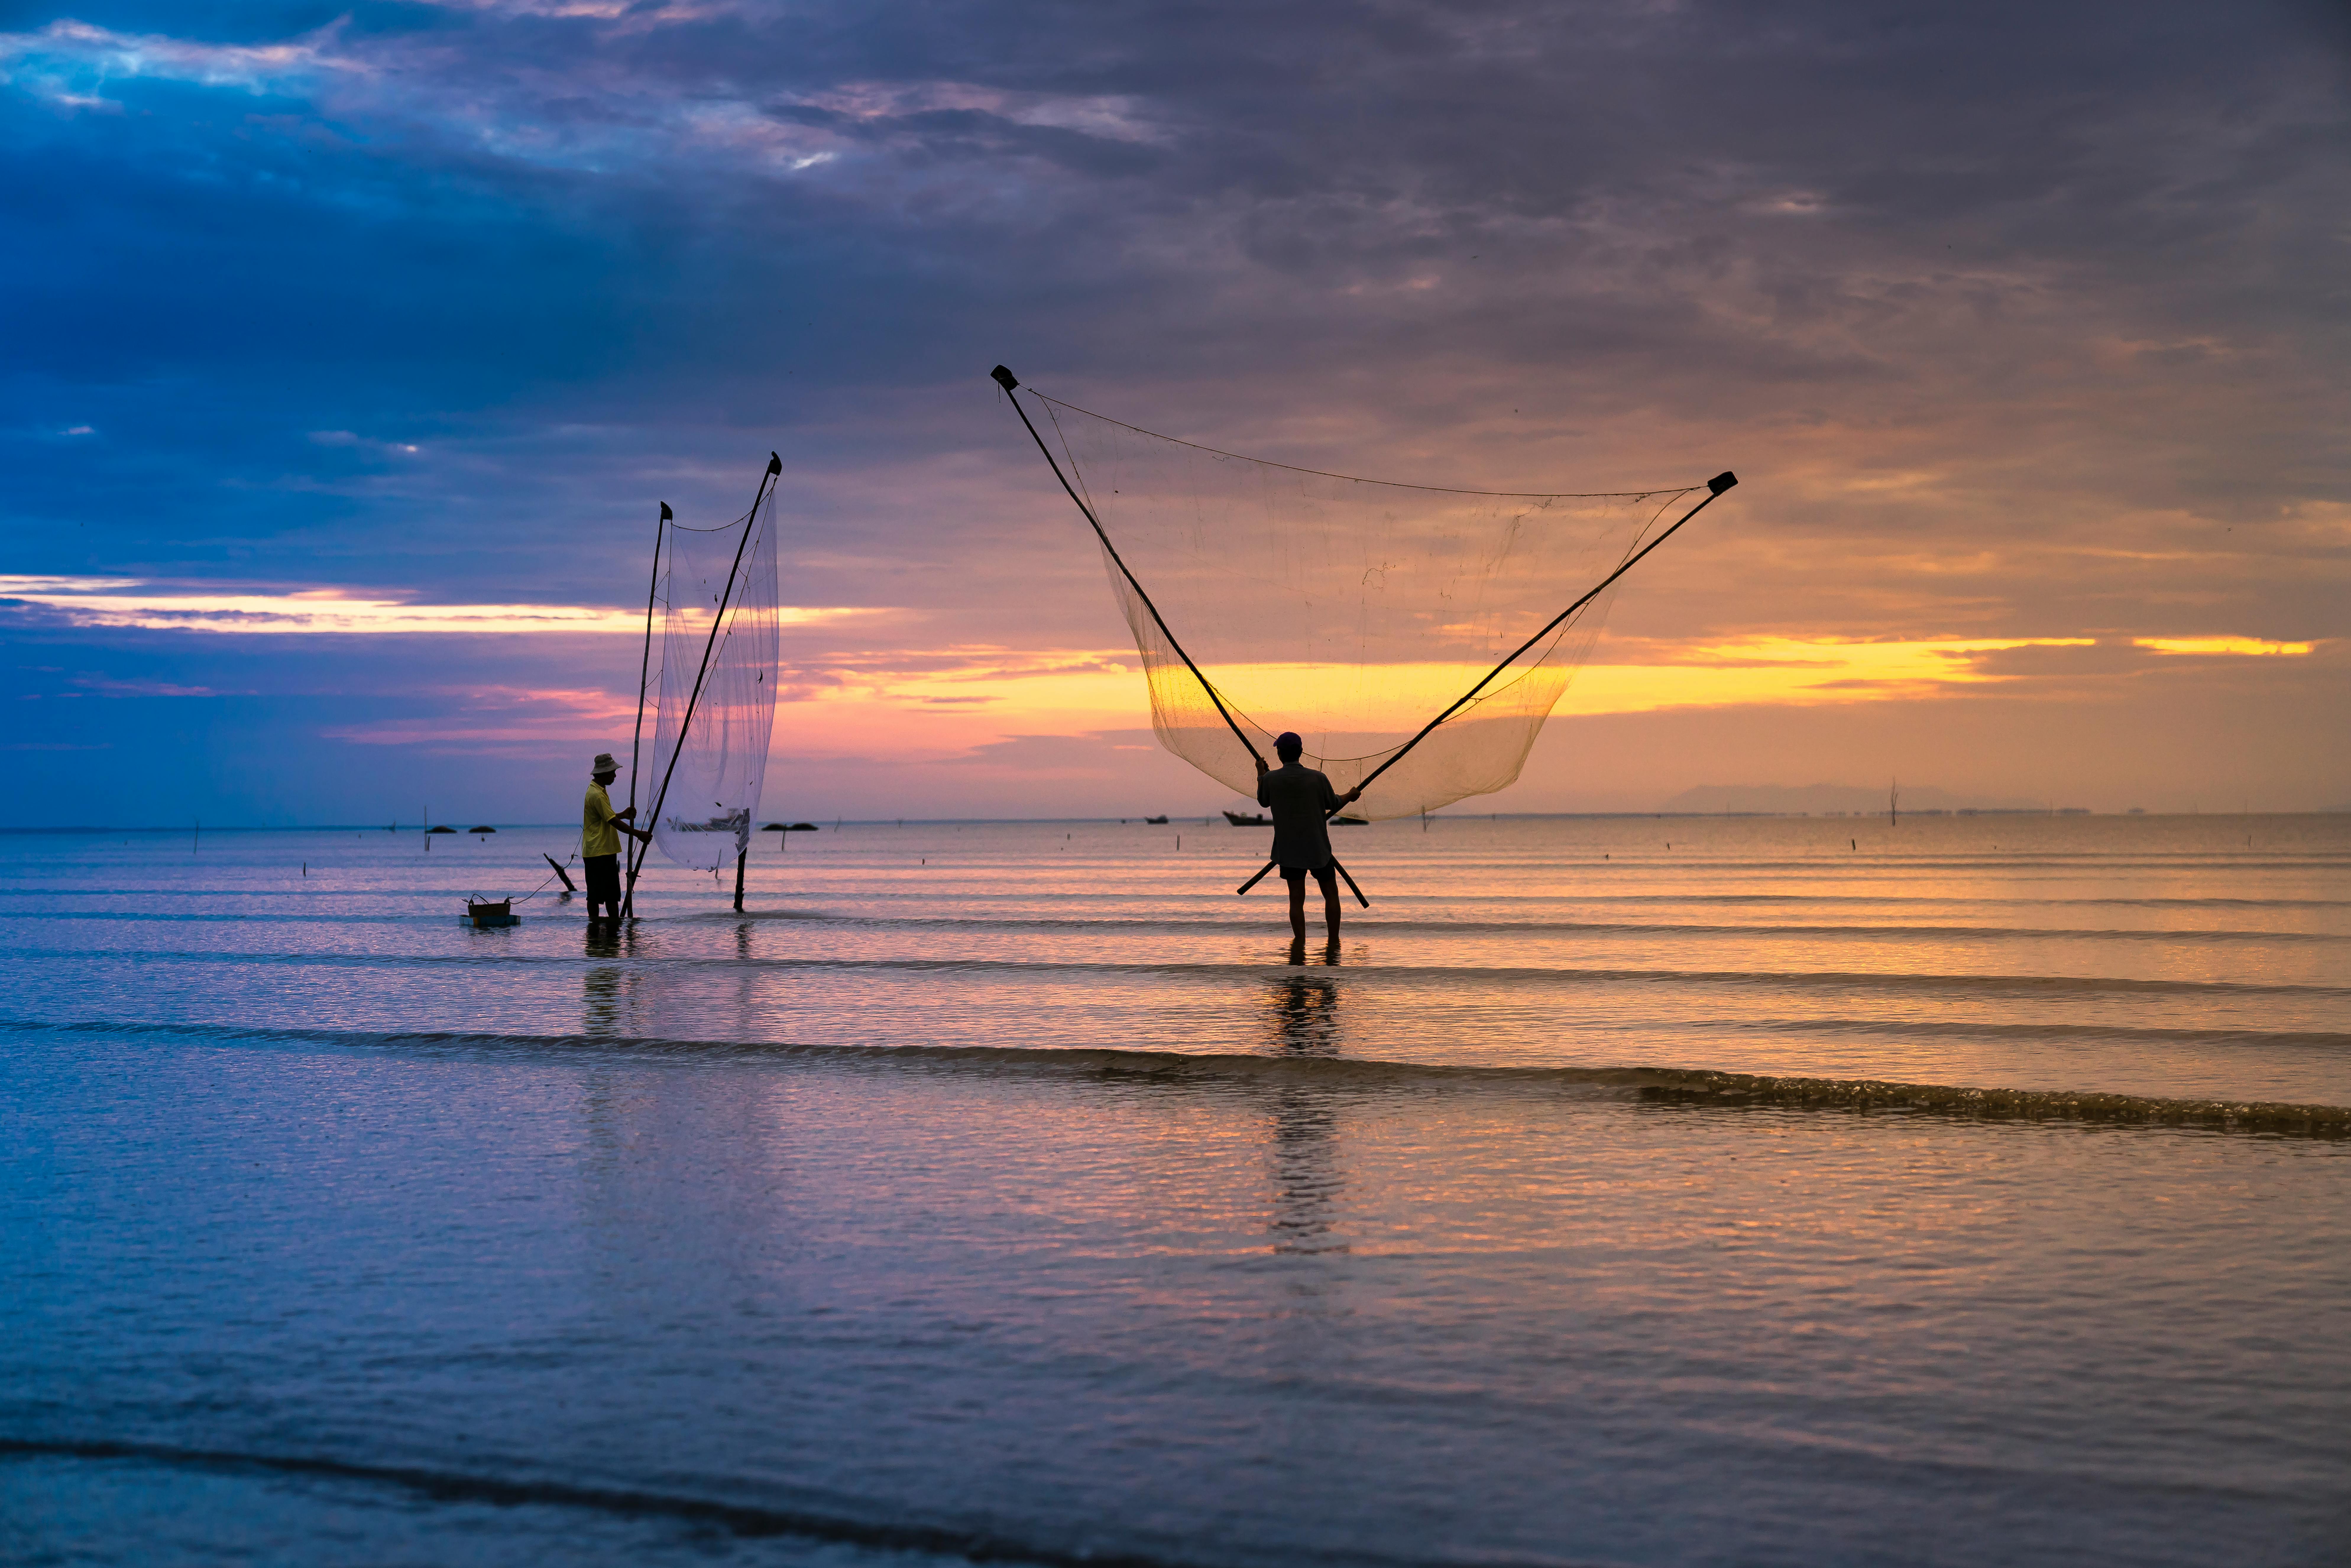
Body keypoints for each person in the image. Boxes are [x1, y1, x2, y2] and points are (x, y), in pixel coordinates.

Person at [1255, 732, 1361, 945]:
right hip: (1318, 848)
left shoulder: (1270, 779)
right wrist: (1350, 796)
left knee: (1296, 899)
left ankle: (1300, 942)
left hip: (1288, 849)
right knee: (1331, 893)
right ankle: (1334, 941)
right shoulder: (1318, 778)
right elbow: (1333, 802)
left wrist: (1261, 774)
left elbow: (1263, 801)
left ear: (1279, 754)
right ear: (1301, 752)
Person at [583, 752, 650, 921]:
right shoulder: (597, 795)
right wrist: (638, 835)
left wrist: (623, 814)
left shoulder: (599, 791)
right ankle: (602, 928)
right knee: (601, 896)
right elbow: (613, 822)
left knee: (608, 894)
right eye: (612, 772)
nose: (615, 775)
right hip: (599, 852)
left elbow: (606, 818)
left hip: (603, 850)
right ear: (604, 773)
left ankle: (608, 930)